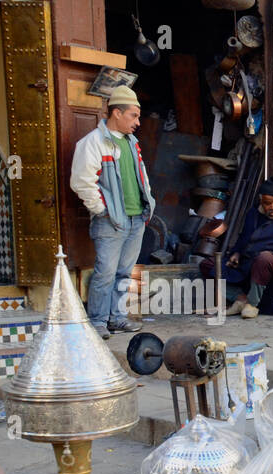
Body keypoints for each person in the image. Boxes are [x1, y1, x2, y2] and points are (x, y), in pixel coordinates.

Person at [69, 85, 154, 338]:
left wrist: (148, 205)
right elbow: (81, 182)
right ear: (116, 113)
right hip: (110, 221)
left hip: (136, 218)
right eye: (133, 116)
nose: (138, 122)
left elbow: (142, 177)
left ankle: (116, 319)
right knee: (105, 273)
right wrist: (102, 211)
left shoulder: (132, 143)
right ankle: (97, 321)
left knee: (123, 273)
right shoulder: (93, 143)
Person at [200, 180, 273, 320]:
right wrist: (237, 253)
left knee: (264, 258)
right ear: (261, 201)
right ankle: (240, 299)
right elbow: (243, 238)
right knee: (208, 265)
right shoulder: (253, 214)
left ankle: (252, 304)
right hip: (249, 263)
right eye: (267, 203)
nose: (272, 207)